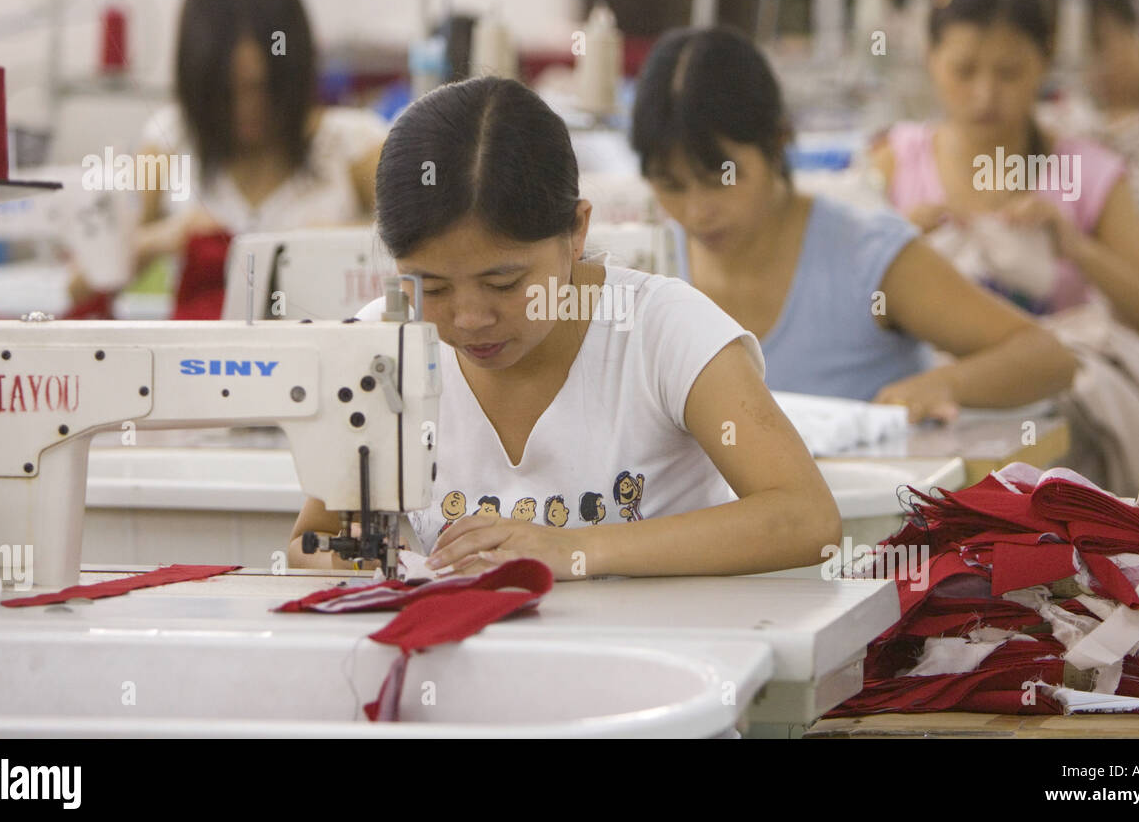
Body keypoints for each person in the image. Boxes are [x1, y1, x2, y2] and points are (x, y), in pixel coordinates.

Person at [289, 76, 841, 580]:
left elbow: (806, 518)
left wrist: (575, 550)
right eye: (431, 287)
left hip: (660, 663)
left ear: (576, 230)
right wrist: (403, 569)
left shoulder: (663, 332)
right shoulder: (385, 348)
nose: (470, 317)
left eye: (504, 283)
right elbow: (314, 541)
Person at [630, 25, 1077, 421]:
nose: (696, 211)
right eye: (670, 185)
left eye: (719, 180)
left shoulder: (867, 258)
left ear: (778, 141)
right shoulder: (653, 269)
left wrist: (943, 385)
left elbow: (1047, 359)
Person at [870, 0, 1139, 339]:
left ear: (1045, 62)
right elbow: (834, 303)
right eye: (964, 71)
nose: (985, 94)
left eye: (1009, 73)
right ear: (930, 58)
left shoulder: (1088, 175)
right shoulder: (894, 162)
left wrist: (1078, 249)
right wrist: (888, 250)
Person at [68, 0, 387, 319]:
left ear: (294, 74)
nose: (246, 109)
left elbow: (431, 256)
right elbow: (77, 286)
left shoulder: (354, 146)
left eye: (262, 88)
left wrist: (344, 241)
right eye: (225, 93)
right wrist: (167, 236)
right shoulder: (169, 142)